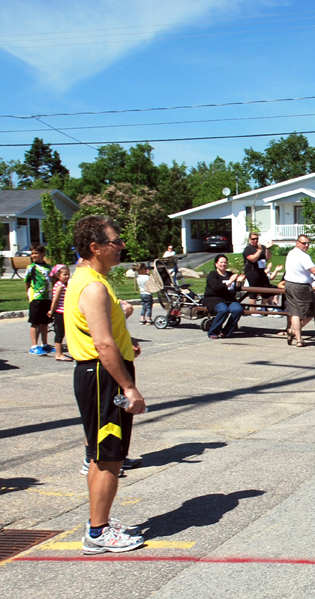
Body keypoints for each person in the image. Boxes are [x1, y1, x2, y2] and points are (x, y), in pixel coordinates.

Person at [65, 215, 146, 554]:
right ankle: (97, 533)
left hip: (101, 373)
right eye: (115, 241)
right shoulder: (94, 285)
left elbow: (105, 334)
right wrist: (129, 388)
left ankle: (99, 523)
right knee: (109, 457)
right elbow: (103, 345)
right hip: (103, 377)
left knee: (103, 456)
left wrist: (128, 341)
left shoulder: (89, 278)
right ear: (95, 247)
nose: (121, 246)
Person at [284, 235, 315, 347]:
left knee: (295, 312)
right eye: (304, 243)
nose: (306, 245)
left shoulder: (291, 253)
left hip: (288, 284)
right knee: (312, 311)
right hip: (300, 286)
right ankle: (294, 332)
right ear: (297, 243)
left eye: (308, 243)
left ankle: (298, 339)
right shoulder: (303, 256)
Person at [204, 254, 246, 339]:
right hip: (215, 299)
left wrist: (238, 282)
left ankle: (226, 332)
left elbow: (236, 289)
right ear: (216, 264)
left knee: (238, 309)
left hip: (229, 299)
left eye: (225, 262)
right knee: (223, 310)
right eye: (221, 262)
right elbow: (216, 288)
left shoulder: (230, 274)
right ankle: (213, 331)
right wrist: (230, 281)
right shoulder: (212, 275)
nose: (223, 264)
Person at [25, 244, 54, 356]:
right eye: (32, 253)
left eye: (36, 253)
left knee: (45, 322)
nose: (34, 255)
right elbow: (27, 282)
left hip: (47, 298)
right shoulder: (31, 267)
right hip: (36, 298)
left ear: (42, 254)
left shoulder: (48, 268)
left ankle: (45, 344)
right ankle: (34, 346)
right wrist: (29, 294)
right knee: (35, 322)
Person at [47, 264, 72, 361]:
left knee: (64, 332)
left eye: (68, 274)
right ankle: (58, 353)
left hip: (65, 312)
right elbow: (55, 300)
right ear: (58, 275)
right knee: (60, 333)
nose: (67, 276)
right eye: (64, 275)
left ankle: (60, 352)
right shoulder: (60, 286)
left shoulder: (63, 285)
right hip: (60, 312)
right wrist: (51, 311)